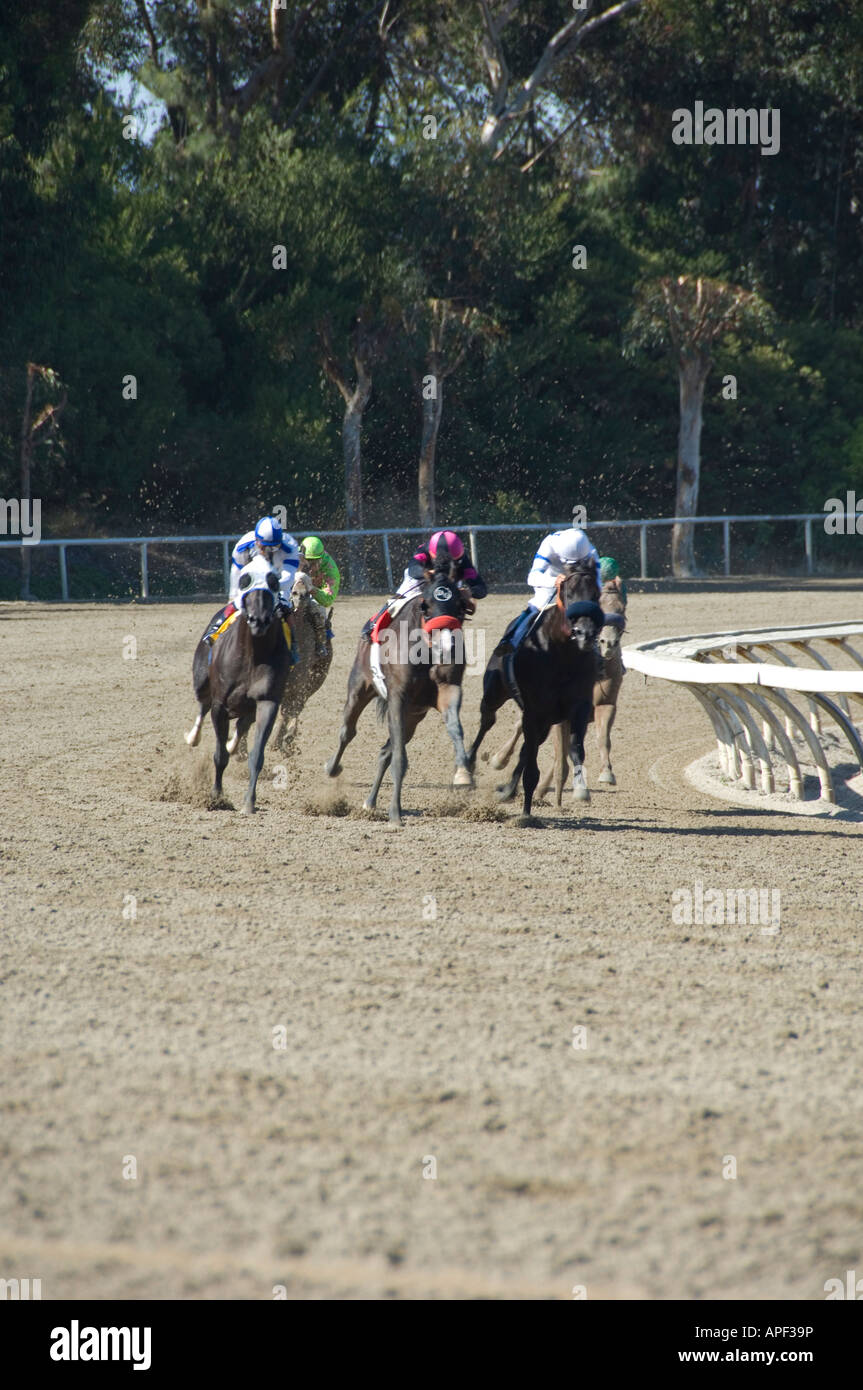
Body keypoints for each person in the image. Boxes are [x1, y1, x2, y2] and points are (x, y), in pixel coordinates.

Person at [201, 515, 300, 656]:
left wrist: (270, 585)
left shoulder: (290, 546)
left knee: (285, 608)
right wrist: (233, 595)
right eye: (265, 547)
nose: (268, 551)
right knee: (235, 604)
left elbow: (288, 578)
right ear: (257, 540)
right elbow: (237, 571)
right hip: (250, 580)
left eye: (274, 548)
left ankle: (293, 645)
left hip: (276, 584)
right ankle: (215, 631)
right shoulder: (244, 545)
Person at [361, 529, 487, 639]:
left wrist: (469, 592)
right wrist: (429, 573)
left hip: (448, 585)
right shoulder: (423, 550)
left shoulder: (462, 558)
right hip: (420, 581)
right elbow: (413, 570)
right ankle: (374, 622)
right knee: (398, 603)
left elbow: (481, 588)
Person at [497, 522, 602, 653]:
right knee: (535, 608)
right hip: (549, 591)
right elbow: (532, 577)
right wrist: (554, 581)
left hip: (579, 593)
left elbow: (598, 583)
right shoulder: (549, 544)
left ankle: (601, 655)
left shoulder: (589, 550)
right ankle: (511, 641)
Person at [298, 535, 340, 659]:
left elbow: (327, 600)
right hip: (293, 590)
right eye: (307, 561)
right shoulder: (293, 556)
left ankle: (320, 644)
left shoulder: (331, 571)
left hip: (315, 594)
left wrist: (311, 588)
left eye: (314, 562)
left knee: (318, 611)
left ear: (321, 558)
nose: (310, 566)